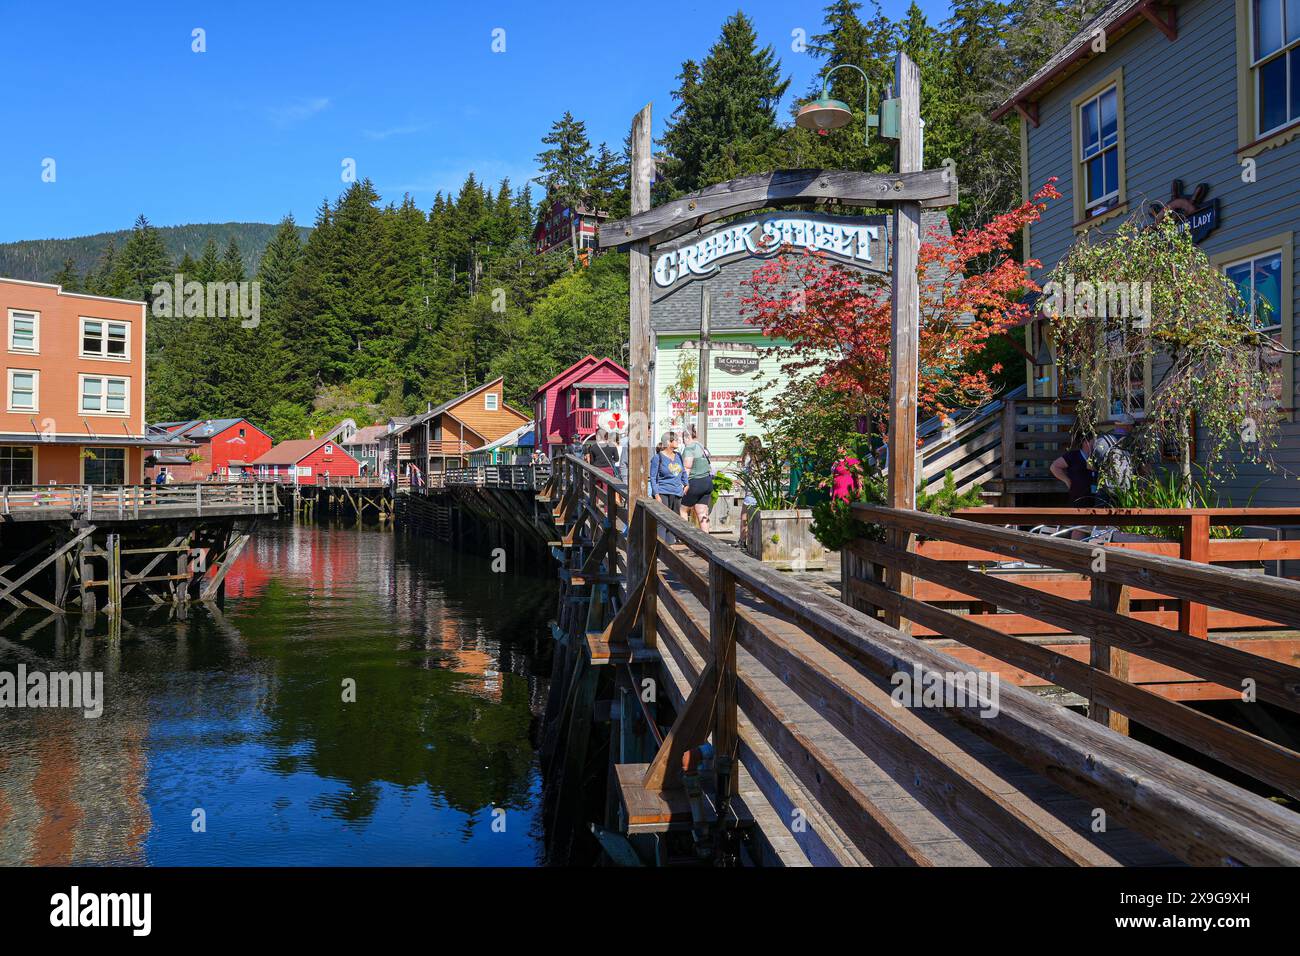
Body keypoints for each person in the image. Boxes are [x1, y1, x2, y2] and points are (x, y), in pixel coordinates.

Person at [680, 424, 714, 532]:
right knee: (702, 512)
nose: (683, 442)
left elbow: (687, 466)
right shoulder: (701, 446)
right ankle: (707, 538)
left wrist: (684, 484)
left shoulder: (689, 448)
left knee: (683, 510)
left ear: (687, 437)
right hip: (707, 482)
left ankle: (686, 536)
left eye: (683, 439)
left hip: (695, 482)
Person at [649, 431, 687, 517]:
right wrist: (656, 494)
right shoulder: (658, 457)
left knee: (676, 521)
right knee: (664, 519)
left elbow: (683, 471)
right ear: (668, 442)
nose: (678, 441)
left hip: (677, 493)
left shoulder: (678, 455)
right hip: (663, 492)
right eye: (676, 440)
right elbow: (653, 477)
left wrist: (686, 484)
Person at [1050, 438, 1097, 506]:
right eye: (1094, 441)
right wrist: (1067, 480)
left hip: (1095, 497)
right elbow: (1054, 467)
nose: (1097, 444)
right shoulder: (1073, 456)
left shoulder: (1097, 456)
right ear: (1086, 442)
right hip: (1078, 496)